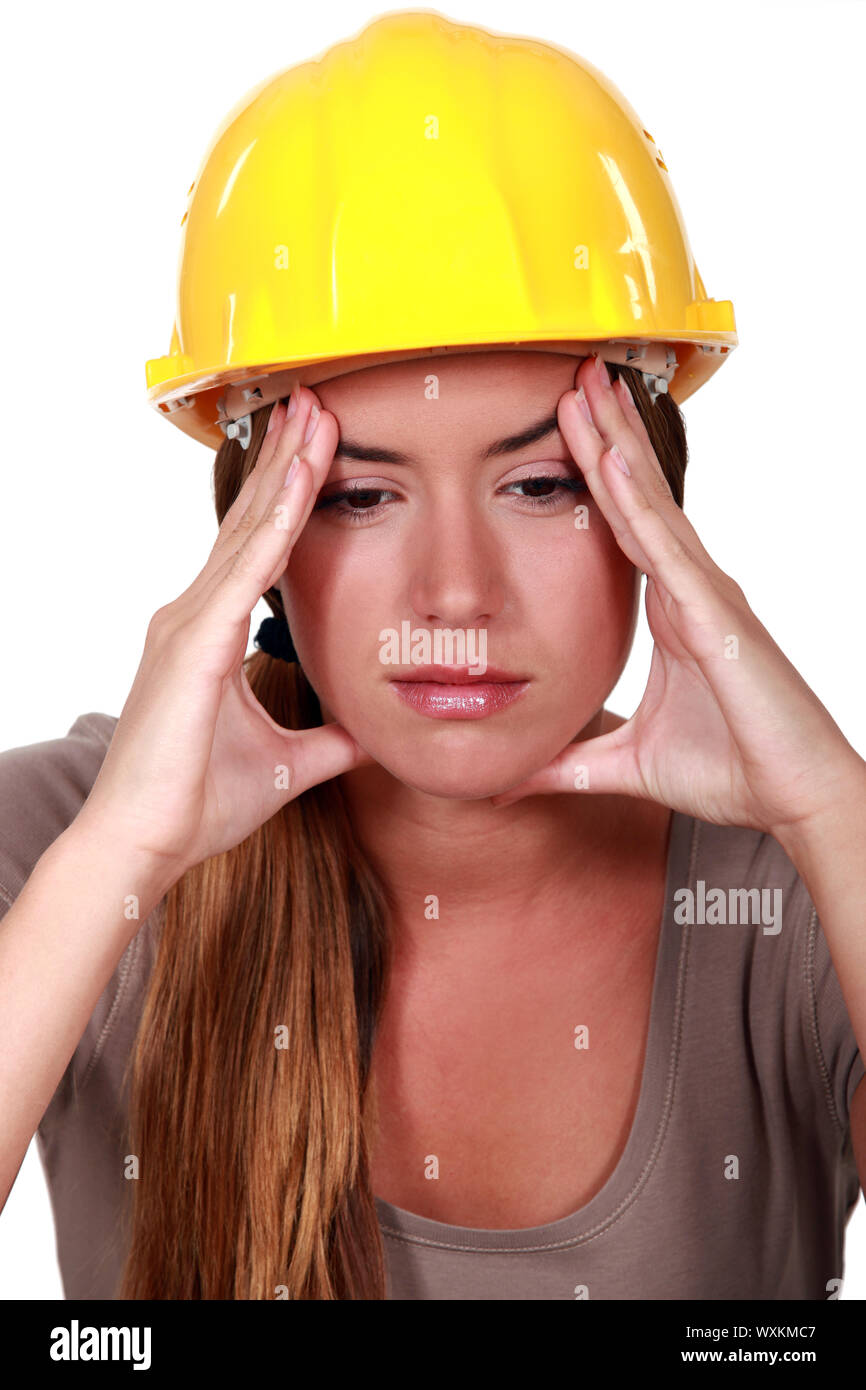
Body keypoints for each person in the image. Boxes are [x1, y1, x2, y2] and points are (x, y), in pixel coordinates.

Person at [1, 12, 865, 1302]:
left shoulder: (797, 899)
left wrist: (830, 804)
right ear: (257, 537)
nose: (454, 594)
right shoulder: (58, 845)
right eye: (357, 496)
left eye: (540, 485)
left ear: (656, 513)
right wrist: (119, 861)